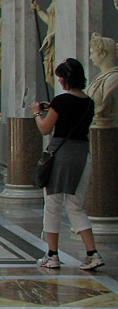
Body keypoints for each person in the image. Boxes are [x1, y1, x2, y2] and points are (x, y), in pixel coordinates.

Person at [30, 58, 103, 271]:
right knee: (75, 205)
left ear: (66, 78)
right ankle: (92, 253)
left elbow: (45, 128)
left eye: (61, 76)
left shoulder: (61, 101)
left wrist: (37, 112)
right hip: (82, 156)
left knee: (52, 204)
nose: (59, 80)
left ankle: (52, 255)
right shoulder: (89, 102)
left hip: (61, 156)